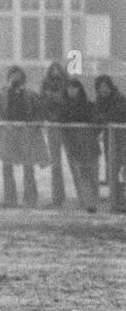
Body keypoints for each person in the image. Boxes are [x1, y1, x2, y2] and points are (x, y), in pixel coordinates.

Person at [0, 66, 48, 207]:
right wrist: (3, 125)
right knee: (7, 168)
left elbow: (40, 113)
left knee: (28, 168)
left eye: (18, 76)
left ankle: (30, 198)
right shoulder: (0, 95)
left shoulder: (31, 95)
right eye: (13, 76)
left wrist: (33, 125)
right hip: (8, 136)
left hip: (26, 136)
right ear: (8, 78)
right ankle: (10, 198)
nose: (15, 79)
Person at [60, 78, 99, 212]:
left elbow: (95, 121)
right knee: (80, 173)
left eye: (74, 87)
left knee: (92, 173)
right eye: (69, 88)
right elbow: (60, 120)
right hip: (74, 145)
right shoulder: (64, 106)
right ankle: (86, 201)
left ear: (79, 89)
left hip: (89, 144)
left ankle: (92, 200)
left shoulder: (88, 105)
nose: (72, 91)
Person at [93, 75, 126, 212]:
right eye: (100, 87)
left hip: (122, 138)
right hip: (110, 140)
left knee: (122, 168)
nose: (103, 90)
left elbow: (117, 115)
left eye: (105, 87)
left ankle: (120, 199)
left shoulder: (119, 99)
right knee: (112, 169)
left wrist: (103, 118)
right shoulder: (100, 101)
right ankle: (117, 200)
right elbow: (96, 117)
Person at [40, 61, 71, 207]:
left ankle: (83, 196)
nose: (55, 72)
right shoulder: (45, 85)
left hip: (67, 126)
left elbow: (71, 102)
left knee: (73, 161)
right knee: (56, 163)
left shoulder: (68, 84)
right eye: (53, 69)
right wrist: (49, 116)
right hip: (53, 127)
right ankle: (57, 196)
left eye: (57, 69)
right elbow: (42, 104)